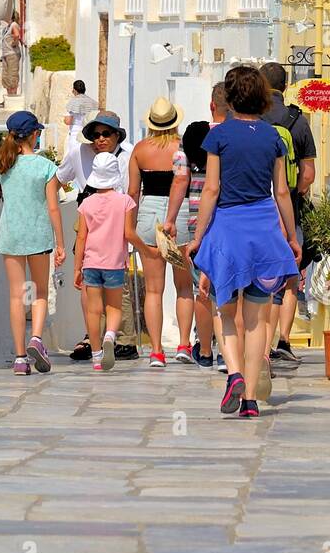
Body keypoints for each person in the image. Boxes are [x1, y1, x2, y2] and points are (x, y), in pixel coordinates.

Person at [189, 65, 301, 419]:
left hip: (228, 230)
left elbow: (211, 189)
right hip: (265, 231)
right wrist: (291, 235)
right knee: (257, 318)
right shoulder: (273, 138)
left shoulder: (219, 136)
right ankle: (251, 399)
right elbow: (281, 190)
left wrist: (197, 236)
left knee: (226, 312)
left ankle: (234, 373)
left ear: (232, 97)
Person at [55, 110, 139, 362]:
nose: (100, 139)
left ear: (117, 135)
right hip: (89, 222)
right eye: (96, 134)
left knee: (117, 291)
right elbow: (58, 179)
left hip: (117, 222)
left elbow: (132, 191)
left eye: (106, 134)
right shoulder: (79, 154)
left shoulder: (128, 156)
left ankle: (123, 340)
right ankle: (97, 339)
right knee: (92, 290)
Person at [0, 110, 66, 376]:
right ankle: (36, 337)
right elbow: (53, 208)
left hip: (11, 236)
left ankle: (20, 357)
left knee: (17, 295)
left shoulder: (3, 165)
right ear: (34, 134)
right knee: (39, 293)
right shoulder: (46, 167)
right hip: (37, 236)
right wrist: (60, 243)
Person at [165, 82, 229, 369]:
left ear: (212, 105)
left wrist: (170, 218)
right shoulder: (239, 136)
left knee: (202, 292)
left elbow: (180, 179)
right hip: (232, 221)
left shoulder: (192, 136)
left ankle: (204, 350)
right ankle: (230, 351)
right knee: (231, 288)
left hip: (197, 222)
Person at [73, 152, 157, 371]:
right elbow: (129, 233)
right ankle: (110, 335)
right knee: (115, 307)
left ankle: (96, 356)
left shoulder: (86, 204)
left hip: (91, 263)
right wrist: (146, 250)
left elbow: (81, 237)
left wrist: (77, 267)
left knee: (93, 310)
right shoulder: (125, 202)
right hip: (115, 264)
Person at [128, 97, 194, 368]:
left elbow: (133, 191)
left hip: (149, 215)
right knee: (184, 286)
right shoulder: (183, 149)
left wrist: (130, 227)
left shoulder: (140, 149)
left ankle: (156, 351)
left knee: (153, 290)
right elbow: (185, 180)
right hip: (179, 213)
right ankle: (183, 344)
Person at [259, 62, 317, 368]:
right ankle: (283, 339)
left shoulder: (251, 117)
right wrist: (296, 194)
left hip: (257, 209)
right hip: (290, 206)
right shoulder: (298, 119)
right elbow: (308, 173)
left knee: (261, 279)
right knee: (290, 277)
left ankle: (261, 344)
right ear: (286, 84)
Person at [64, 79, 99, 144]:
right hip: (89, 132)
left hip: (75, 133)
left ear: (74, 90)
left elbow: (68, 121)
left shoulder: (73, 102)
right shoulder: (93, 102)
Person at [0, 16, 22, 97]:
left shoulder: (14, 25)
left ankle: (13, 97)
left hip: (12, 54)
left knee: (12, 75)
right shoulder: (6, 27)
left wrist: (14, 43)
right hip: (6, 54)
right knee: (6, 76)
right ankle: (9, 96)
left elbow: (16, 35)